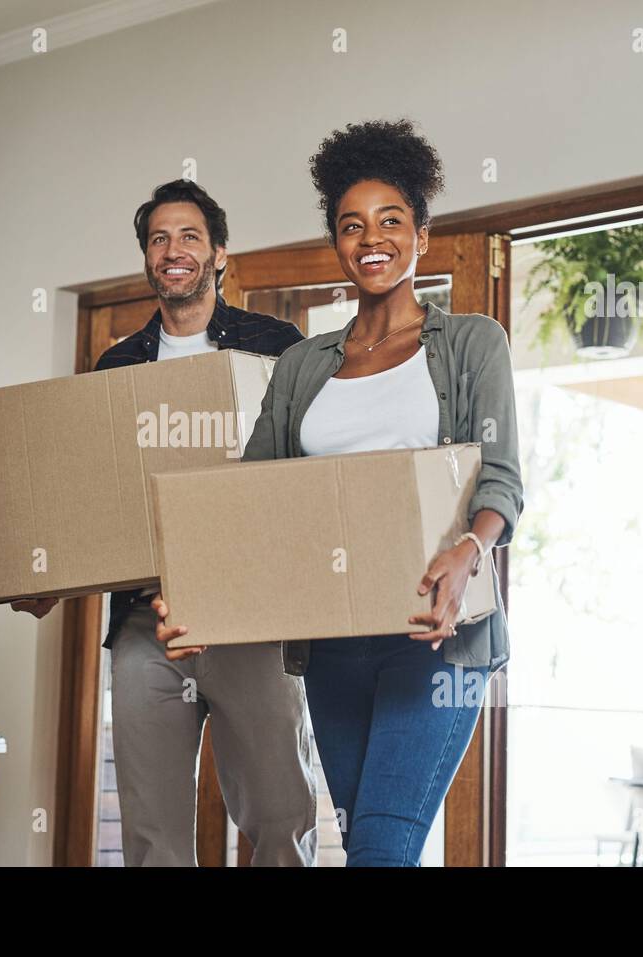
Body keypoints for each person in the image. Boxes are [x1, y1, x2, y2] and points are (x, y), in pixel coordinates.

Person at [156, 120, 523, 866]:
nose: (371, 239)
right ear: (337, 243)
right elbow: (253, 501)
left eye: (391, 220)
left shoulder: (471, 344)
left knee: (381, 852)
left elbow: (503, 478)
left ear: (422, 232)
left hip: (437, 638)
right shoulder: (303, 366)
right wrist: (203, 598)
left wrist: (469, 547)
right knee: (367, 847)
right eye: (351, 225)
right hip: (332, 650)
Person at [16, 180, 318, 866]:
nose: (172, 250)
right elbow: (97, 499)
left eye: (188, 236)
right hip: (146, 624)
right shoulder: (116, 365)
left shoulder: (276, 348)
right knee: (151, 835)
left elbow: (301, 479)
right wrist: (54, 576)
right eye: (158, 239)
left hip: (253, 620)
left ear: (218, 254)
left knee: (279, 818)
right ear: (147, 259)